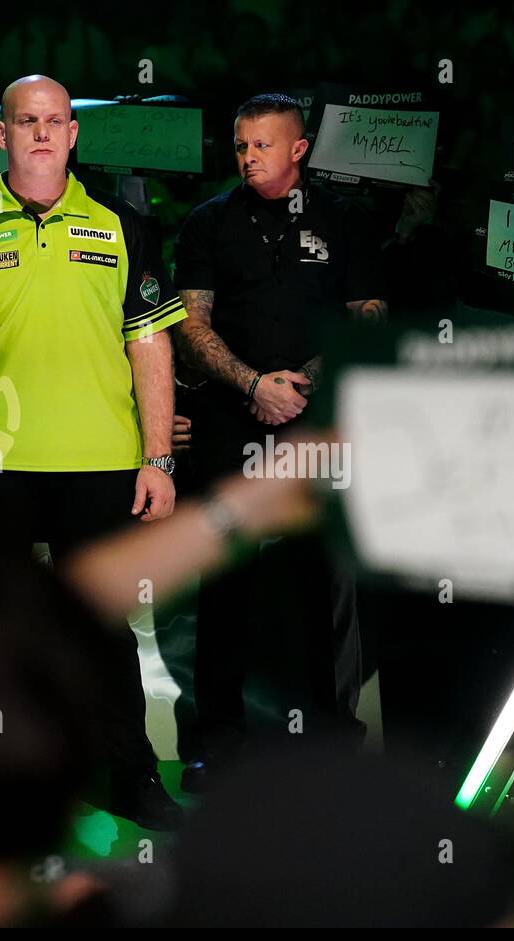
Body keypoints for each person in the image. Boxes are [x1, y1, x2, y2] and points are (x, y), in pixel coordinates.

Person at [0, 74, 187, 830]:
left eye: (55, 121)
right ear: (1, 134)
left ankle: (130, 775)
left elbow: (150, 344)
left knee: (101, 624)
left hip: (99, 463)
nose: (41, 133)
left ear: (72, 133)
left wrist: (158, 458)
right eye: (25, 121)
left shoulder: (123, 225)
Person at [172, 93, 386, 789]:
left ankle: (320, 742)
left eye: (261, 145)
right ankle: (217, 742)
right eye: (240, 146)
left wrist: (301, 383)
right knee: (222, 579)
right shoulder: (209, 222)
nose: (247, 157)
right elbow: (191, 325)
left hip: (316, 419)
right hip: (229, 417)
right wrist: (253, 383)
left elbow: (368, 317)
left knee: (314, 580)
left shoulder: (345, 220)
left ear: (299, 148)